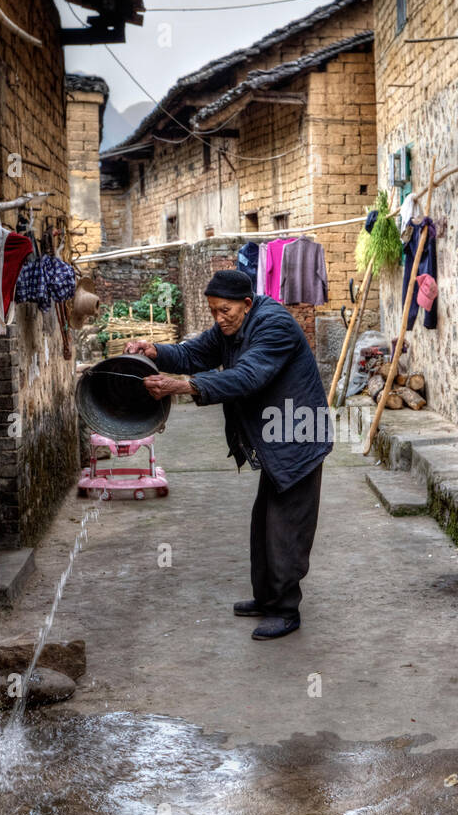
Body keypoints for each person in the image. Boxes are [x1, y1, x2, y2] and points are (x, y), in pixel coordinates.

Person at [126, 269, 332, 641]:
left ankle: (286, 610)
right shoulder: (230, 328)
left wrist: (183, 386)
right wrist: (156, 351)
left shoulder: (275, 326)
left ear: (247, 304)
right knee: (264, 523)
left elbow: (248, 376)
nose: (219, 318)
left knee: (287, 527)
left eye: (225, 311)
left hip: (298, 435)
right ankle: (267, 598)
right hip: (275, 437)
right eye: (213, 311)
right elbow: (194, 353)